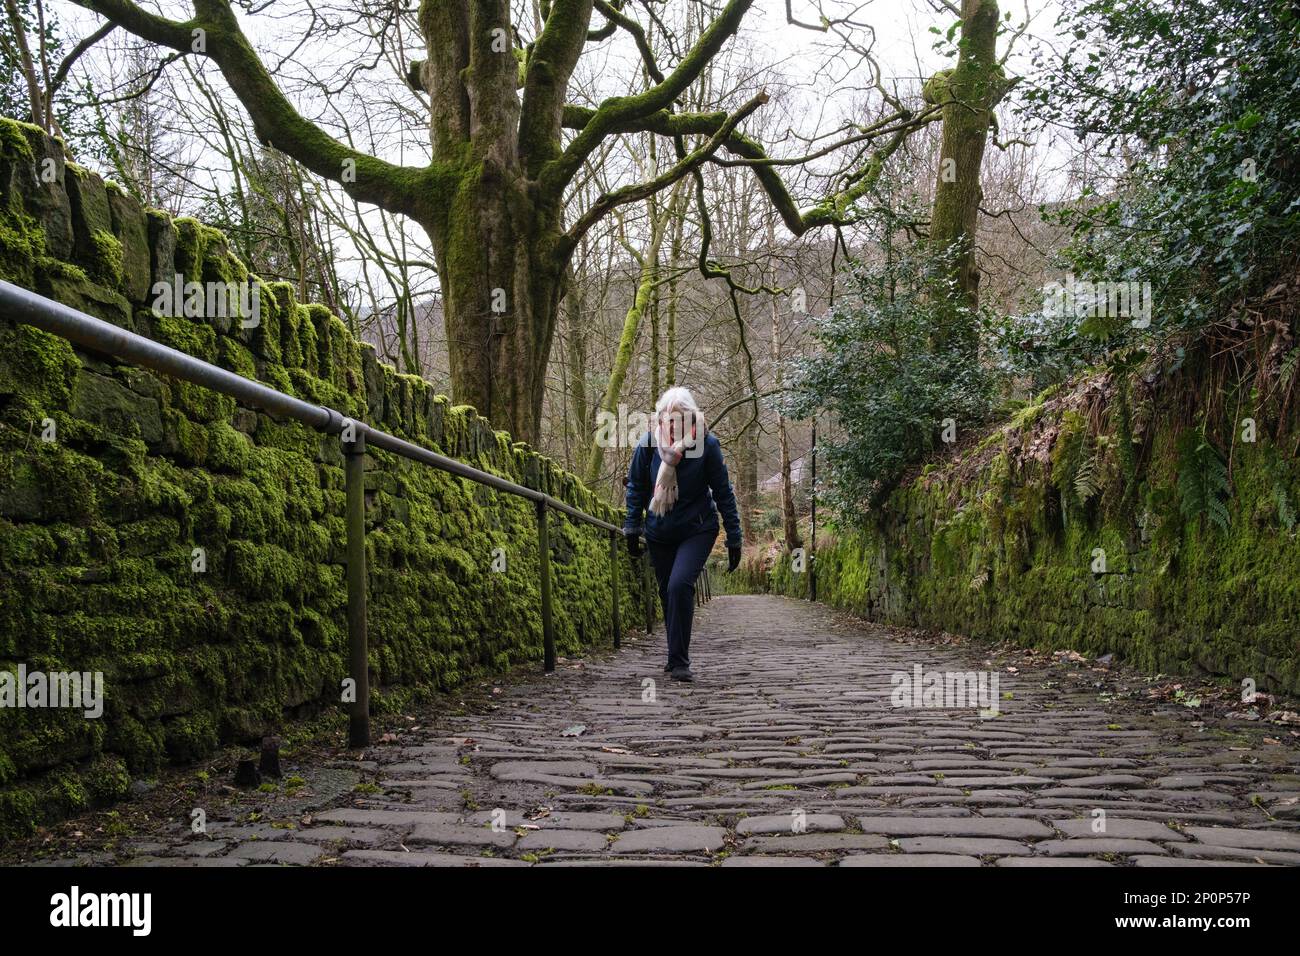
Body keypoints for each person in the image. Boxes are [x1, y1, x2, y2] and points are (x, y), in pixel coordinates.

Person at [624, 387, 743, 682]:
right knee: (667, 592)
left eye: (678, 418)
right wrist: (632, 525)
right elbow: (637, 486)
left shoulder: (707, 445)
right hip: (659, 529)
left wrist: (734, 536)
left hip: (697, 527)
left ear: (690, 418)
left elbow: (723, 492)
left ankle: (679, 661)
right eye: (666, 417)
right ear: (660, 418)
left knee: (679, 586)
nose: (671, 424)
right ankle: (673, 653)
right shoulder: (648, 444)